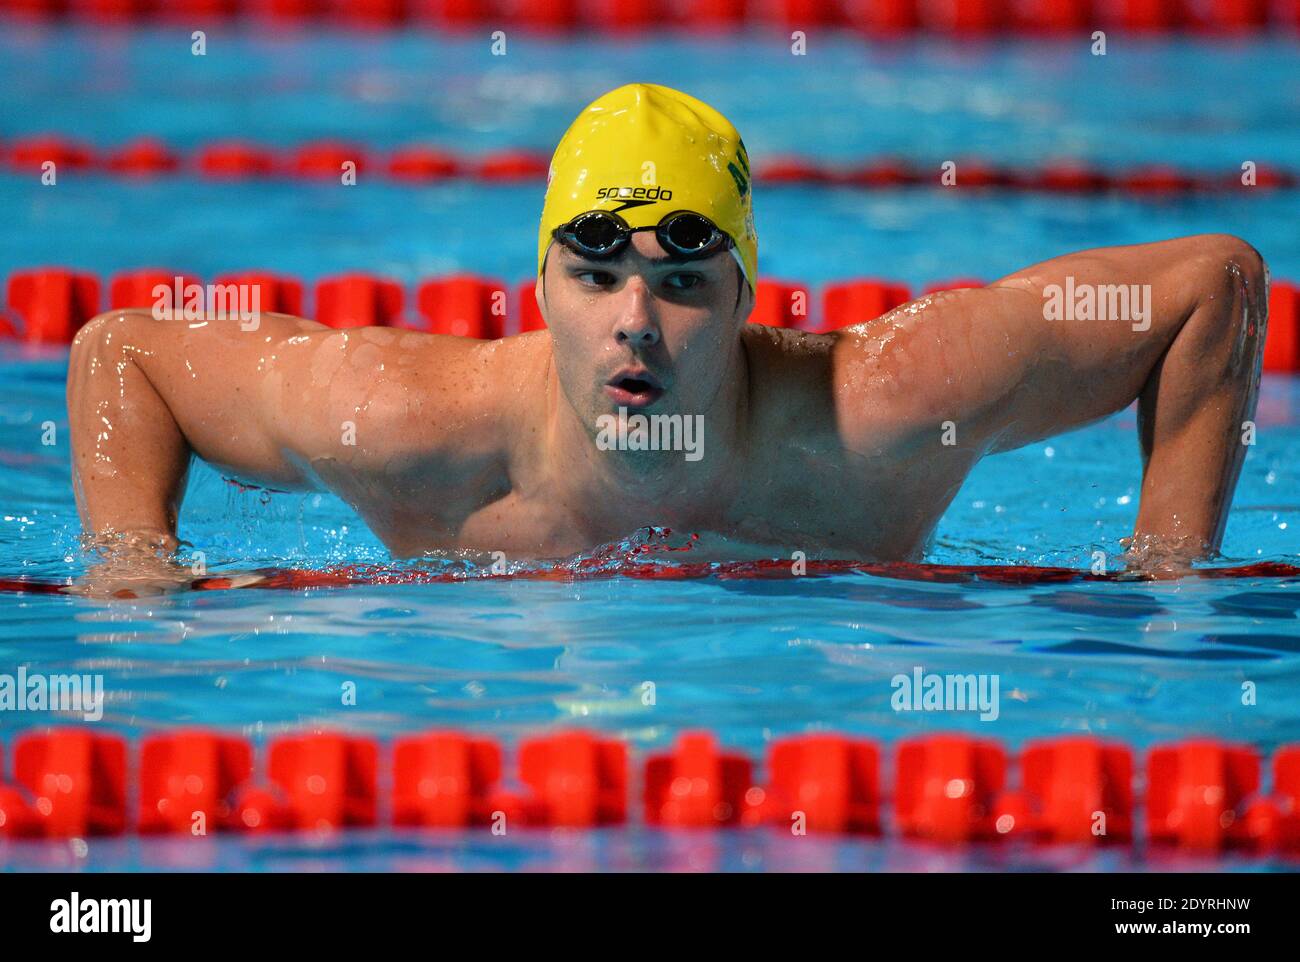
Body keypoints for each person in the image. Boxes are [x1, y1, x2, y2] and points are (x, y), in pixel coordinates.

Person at [66, 83, 1267, 594]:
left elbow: (1212, 282)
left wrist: (1168, 579)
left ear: (751, 297)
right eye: (595, 275)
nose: (634, 320)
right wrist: (132, 559)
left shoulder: (885, 407)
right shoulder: (399, 419)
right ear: (536, 287)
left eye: (684, 281)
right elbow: (124, 352)